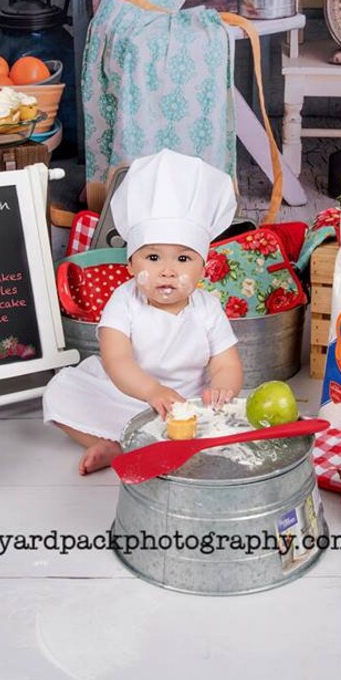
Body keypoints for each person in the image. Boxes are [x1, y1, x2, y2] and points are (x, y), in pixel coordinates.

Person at [44, 148, 243, 474]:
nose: (167, 270)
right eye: (153, 258)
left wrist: (223, 387)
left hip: (189, 401)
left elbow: (226, 361)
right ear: (130, 265)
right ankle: (113, 444)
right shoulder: (123, 302)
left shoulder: (208, 308)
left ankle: (166, 440)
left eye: (183, 259)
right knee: (61, 390)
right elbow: (117, 360)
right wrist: (152, 391)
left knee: (223, 421)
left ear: (204, 269)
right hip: (131, 394)